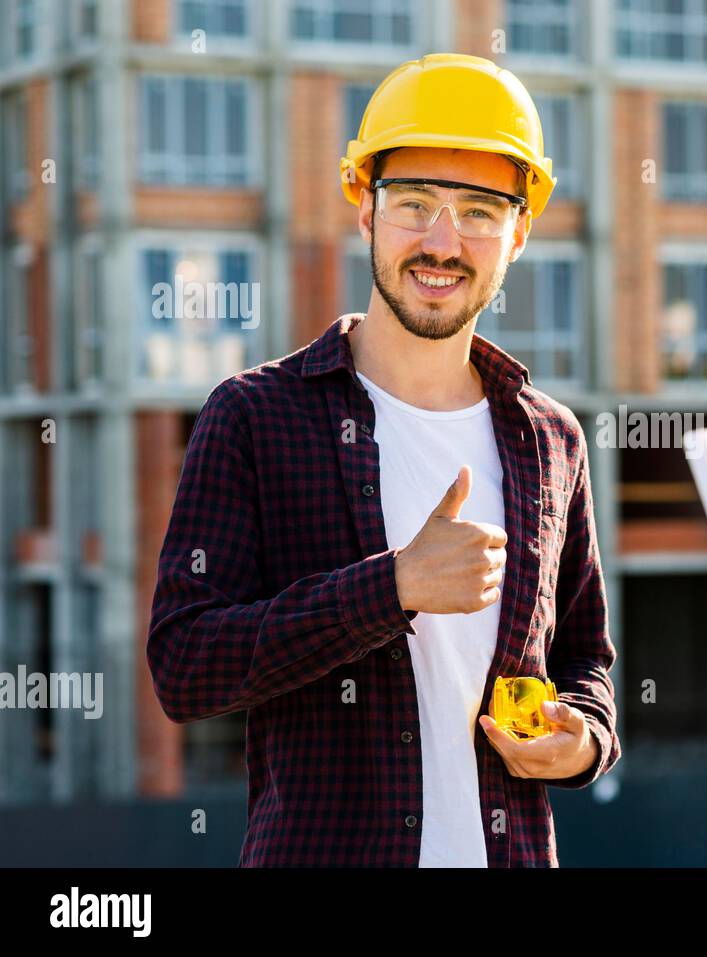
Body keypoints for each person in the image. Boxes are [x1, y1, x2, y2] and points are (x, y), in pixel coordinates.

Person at [148, 53, 619, 867]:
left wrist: (582, 741)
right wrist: (391, 587)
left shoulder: (552, 439)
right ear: (364, 210)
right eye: (414, 204)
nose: (443, 241)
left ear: (520, 232)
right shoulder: (255, 416)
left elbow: (586, 662)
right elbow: (185, 666)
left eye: (479, 211)